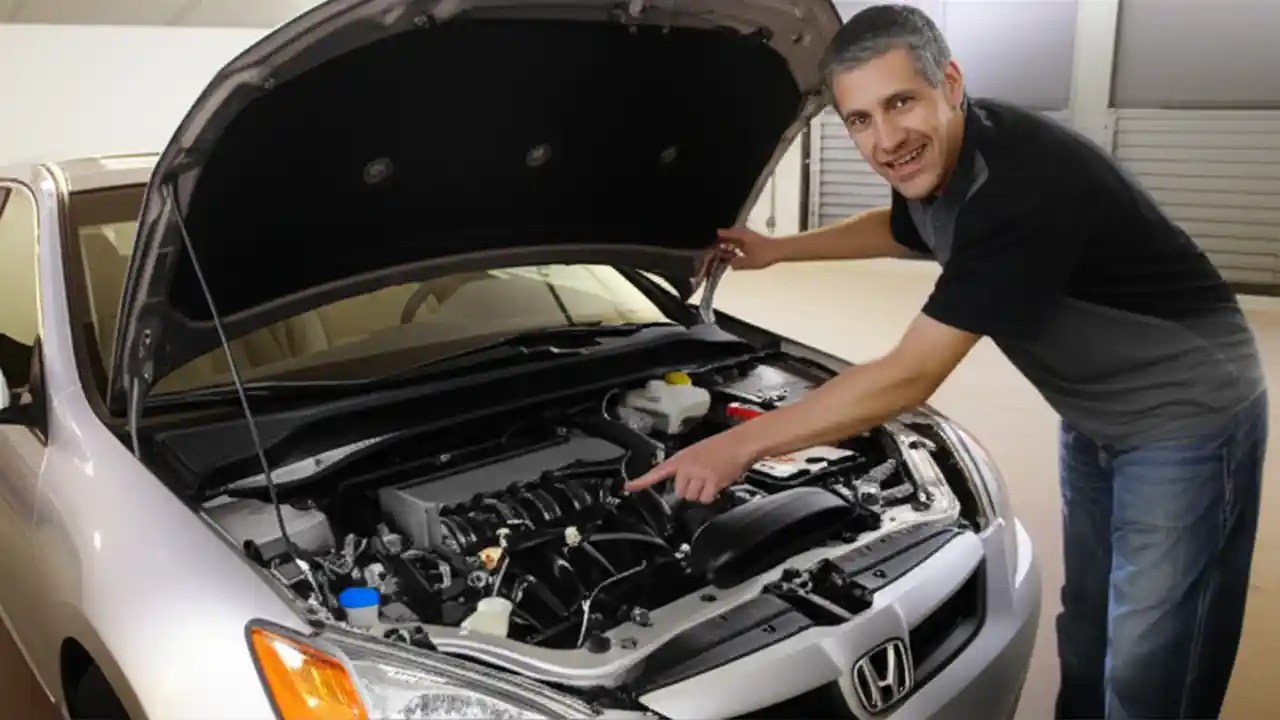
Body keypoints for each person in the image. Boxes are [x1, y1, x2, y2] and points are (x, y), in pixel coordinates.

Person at [623, 4, 1268, 719]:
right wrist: (779, 248)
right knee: (1087, 628)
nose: (886, 139)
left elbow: (909, 375)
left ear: (950, 83)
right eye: (860, 119)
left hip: (1188, 414)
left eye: (901, 102)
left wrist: (739, 445)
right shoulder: (942, 164)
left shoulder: (1022, 188)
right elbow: (901, 229)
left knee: (1151, 659)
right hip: (1092, 412)